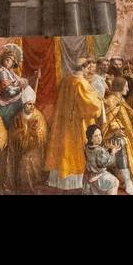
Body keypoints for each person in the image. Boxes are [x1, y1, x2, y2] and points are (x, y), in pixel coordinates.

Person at [44, 57, 104, 190]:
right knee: (75, 149)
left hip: (63, 122)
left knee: (64, 148)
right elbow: (91, 106)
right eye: (87, 66)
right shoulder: (80, 83)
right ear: (84, 68)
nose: (89, 68)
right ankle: (76, 182)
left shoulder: (66, 79)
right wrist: (99, 100)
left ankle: (60, 181)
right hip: (77, 123)